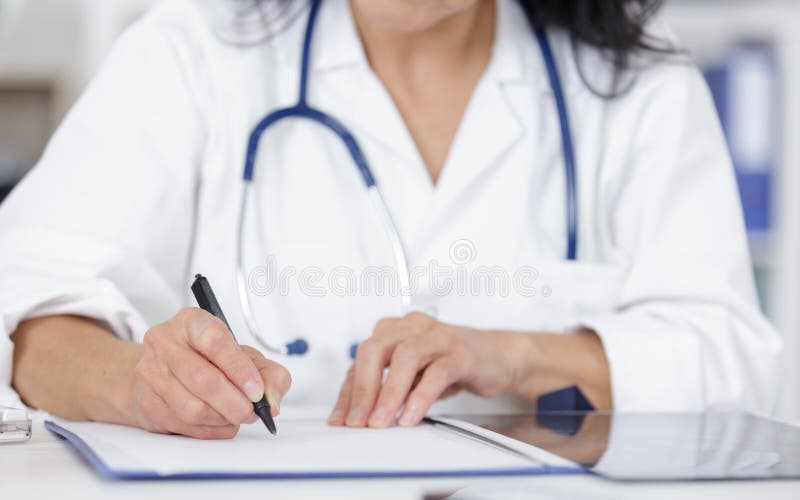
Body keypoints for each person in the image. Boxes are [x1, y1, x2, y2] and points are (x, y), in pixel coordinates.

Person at [0, 0, 781, 440]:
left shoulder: (636, 81)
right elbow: (25, 314)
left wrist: (513, 355)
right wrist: (136, 382)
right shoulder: (192, 50)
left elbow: (732, 361)